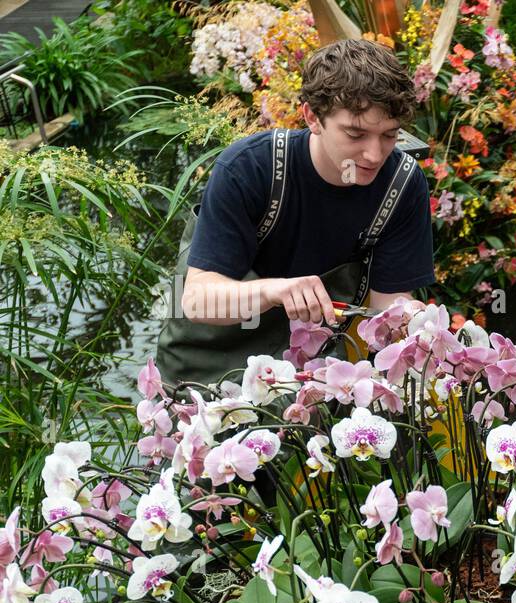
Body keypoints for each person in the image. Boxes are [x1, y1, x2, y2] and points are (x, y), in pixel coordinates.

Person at [155, 38, 435, 387]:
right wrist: (276, 291)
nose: (375, 155)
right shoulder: (249, 169)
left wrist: (421, 325)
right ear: (312, 117)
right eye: (356, 133)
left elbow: (387, 303)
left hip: (303, 380)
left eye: (390, 136)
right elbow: (198, 300)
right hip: (199, 377)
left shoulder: (402, 184)